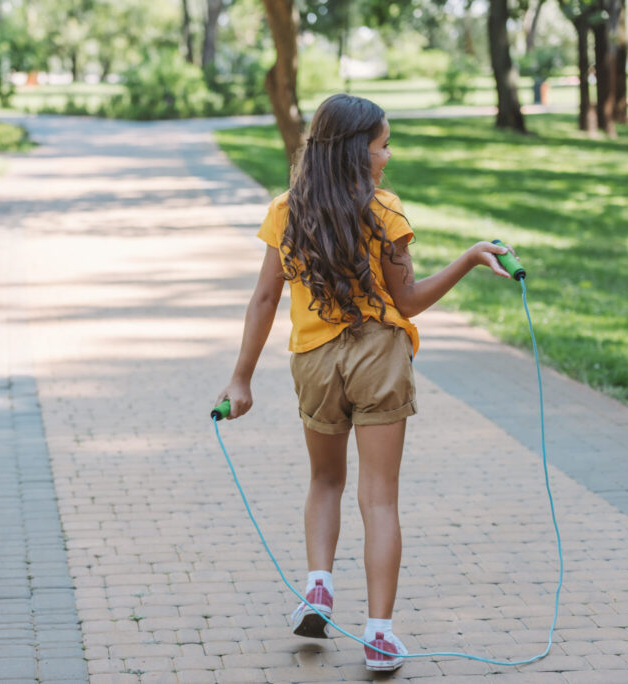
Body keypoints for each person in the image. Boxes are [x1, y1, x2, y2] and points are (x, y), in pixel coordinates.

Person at [215, 93, 512, 672]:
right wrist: (470, 259)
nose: (388, 156)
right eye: (383, 146)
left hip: (314, 361)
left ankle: (318, 588)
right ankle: (379, 636)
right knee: (379, 499)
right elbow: (409, 300)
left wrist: (240, 379)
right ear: (356, 152)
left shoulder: (286, 210)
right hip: (379, 355)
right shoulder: (384, 210)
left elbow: (265, 299)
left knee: (324, 480)